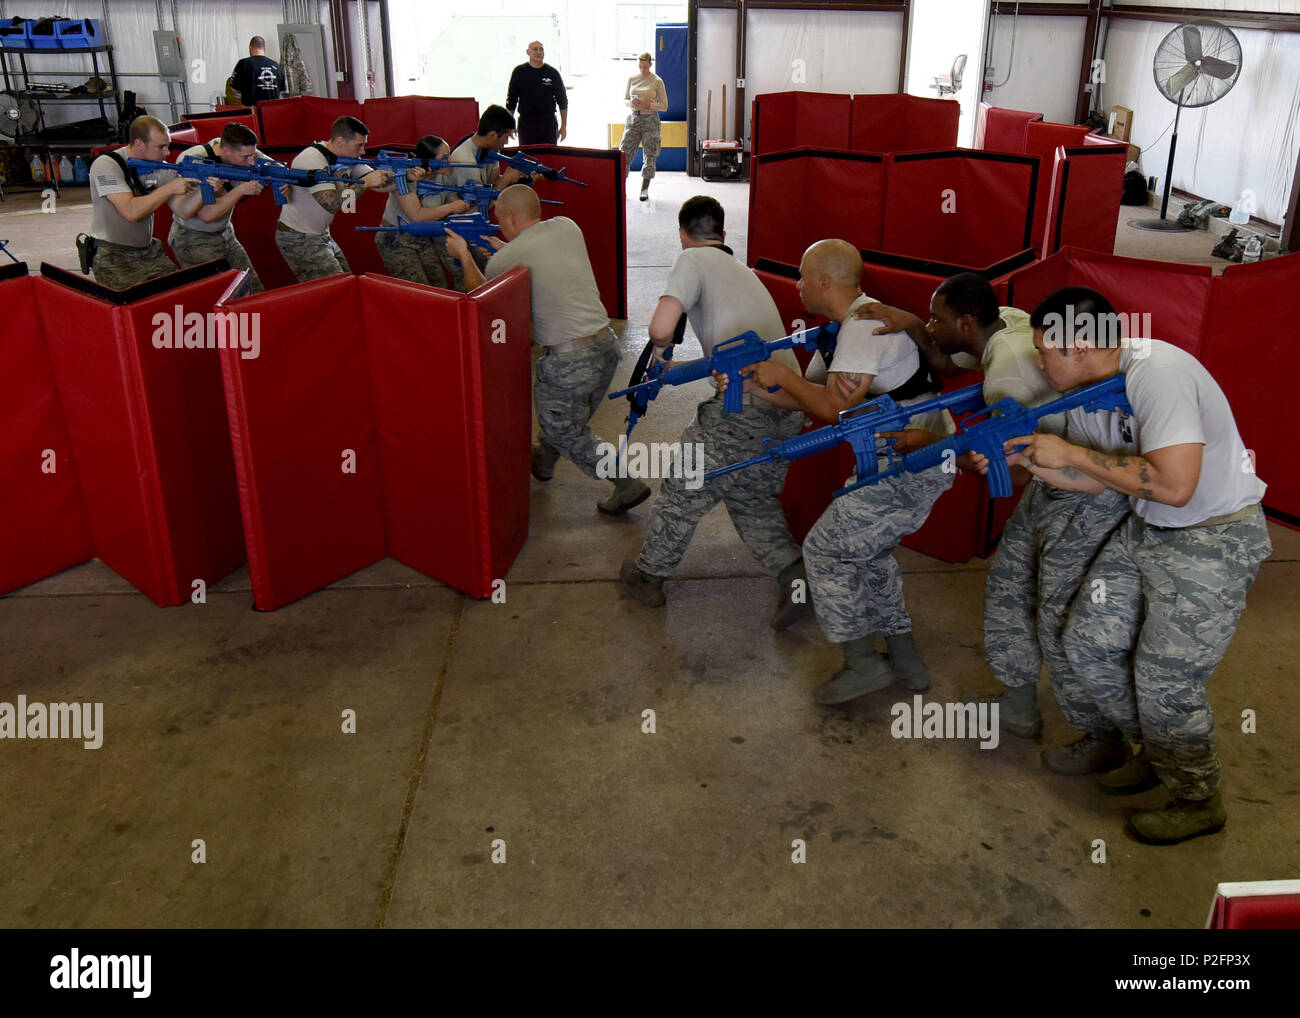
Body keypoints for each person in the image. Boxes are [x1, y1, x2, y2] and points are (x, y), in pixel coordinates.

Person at [999, 286, 1270, 845]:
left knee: (1165, 679)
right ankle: (1139, 747)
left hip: (1213, 538)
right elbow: (1099, 478)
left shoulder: (1158, 372)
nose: (1038, 362)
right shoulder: (1092, 390)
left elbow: (1174, 484)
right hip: (1149, 529)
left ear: (1074, 344)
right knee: (1086, 642)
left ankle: (1198, 800)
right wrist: (1026, 457)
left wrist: (1069, 452)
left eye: (1042, 350)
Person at [858, 275, 1129, 738]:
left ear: (966, 322)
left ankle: (1104, 734)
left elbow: (1013, 470)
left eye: (936, 318)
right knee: (1008, 585)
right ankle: (1019, 704)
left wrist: (935, 445)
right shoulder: (1011, 323)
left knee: (1060, 614)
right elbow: (948, 357)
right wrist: (916, 327)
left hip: (1079, 487)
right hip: (1061, 468)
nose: (929, 323)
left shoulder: (1003, 377)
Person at [735, 240, 955, 702]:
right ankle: (905, 657)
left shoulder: (861, 328)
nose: (795, 284)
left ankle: (861, 663)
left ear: (822, 282)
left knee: (825, 549)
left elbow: (835, 409)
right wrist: (757, 387)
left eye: (800, 275)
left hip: (914, 461)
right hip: (896, 460)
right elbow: (811, 398)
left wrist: (787, 377)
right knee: (868, 555)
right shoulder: (838, 332)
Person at [618, 196, 808, 626]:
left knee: (684, 484)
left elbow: (661, 327)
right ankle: (795, 579)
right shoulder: (742, 272)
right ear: (722, 233)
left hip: (747, 406)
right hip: (789, 407)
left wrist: (660, 348)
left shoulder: (692, 260)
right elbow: (721, 359)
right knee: (751, 498)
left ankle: (649, 575)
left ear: (683, 234)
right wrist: (672, 370)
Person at [446, 185, 650, 515]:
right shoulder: (567, 226)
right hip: (606, 346)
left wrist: (465, 257)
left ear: (510, 218)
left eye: (500, 220)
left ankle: (627, 485)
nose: (499, 226)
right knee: (564, 419)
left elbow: (479, 295)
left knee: (566, 430)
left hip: (569, 360)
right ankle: (542, 461)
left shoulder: (506, 258)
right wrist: (505, 251)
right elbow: (536, 255)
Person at [274, 115, 397, 284]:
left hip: (320, 234)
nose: (363, 151)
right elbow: (332, 204)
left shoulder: (348, 158)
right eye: (359, 145)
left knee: (346, 283)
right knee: (338, 292)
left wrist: (404, 177)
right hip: (298, 237)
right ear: (340, 141)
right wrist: (366, 183)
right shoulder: (312, 159)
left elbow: (378, 184)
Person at [164, 122, 273, 293]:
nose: (251, 162)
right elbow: (207, 214)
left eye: (252, 155)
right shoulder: (194, 161)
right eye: (245, 158)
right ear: (226, 151)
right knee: (215, 296)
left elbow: (273, 166)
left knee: (253, 290)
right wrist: (242, 189)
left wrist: (280, 180)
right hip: (194, 240)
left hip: (225, 234)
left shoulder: (240, 148)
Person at [85, 115, 189, 290]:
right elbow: (130, 212)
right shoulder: (106, 165)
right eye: (161, 147)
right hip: (113, 254)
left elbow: (184, 211)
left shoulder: (158, 166)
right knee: (132, 308)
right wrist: (170, 188)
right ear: (140, 144)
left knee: (178, 294)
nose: (167, 153)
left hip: (149, 249)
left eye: (168, 146)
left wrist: (206, 188)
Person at [444, 105, 536, 290]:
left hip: (476, 222)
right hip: (458, 223)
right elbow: (479, 203)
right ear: (493, 135)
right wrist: (508, 180)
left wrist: (524, 180)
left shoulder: (489, 152)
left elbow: (494, 183)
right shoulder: (465, 159)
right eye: (506, 137)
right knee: (470, 279)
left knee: (499, 267)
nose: (506, 142)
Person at [372, 134, 472, 289]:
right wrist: (453, 207)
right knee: (417, 291)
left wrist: (468, 203)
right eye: (443, 157)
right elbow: (417, 215)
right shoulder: (406, 175)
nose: (449, 161)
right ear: (429, 161)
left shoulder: (445, 174)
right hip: (395, 238)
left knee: (439, 288)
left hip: (423, 237)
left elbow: (453, 199)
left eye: (449, 155)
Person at [620, 52, 668, 202]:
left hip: (650, 120)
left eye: (645, 67)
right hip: (634, 118)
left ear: (650, 64)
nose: (643, 70)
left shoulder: (657, 81)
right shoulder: (632, 79)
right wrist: (631, 103)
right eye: (640, 67)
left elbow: (665, 106)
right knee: (624, 152)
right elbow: (625, 99)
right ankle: (620, 188)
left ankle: (644, 189)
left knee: (650, 154)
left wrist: (650, 104)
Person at [506, 41, 568, 146]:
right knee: (528, 158)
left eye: (541, 49)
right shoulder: (519, 72)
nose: (538, 52)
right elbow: (511, 100)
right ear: (528, 52)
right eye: (535, 49)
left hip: (548, 124)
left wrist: (563, 126)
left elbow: (562, 101)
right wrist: (509, 125)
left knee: (549, 159)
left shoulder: (552, 73)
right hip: (526, 124)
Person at [228, 36, 286, 107]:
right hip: (273, 111)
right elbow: (281, 90)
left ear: (250, 47)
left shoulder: (243, 64)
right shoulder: (276, 66)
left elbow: (234, 89)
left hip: (253, 111)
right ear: (264, 49)